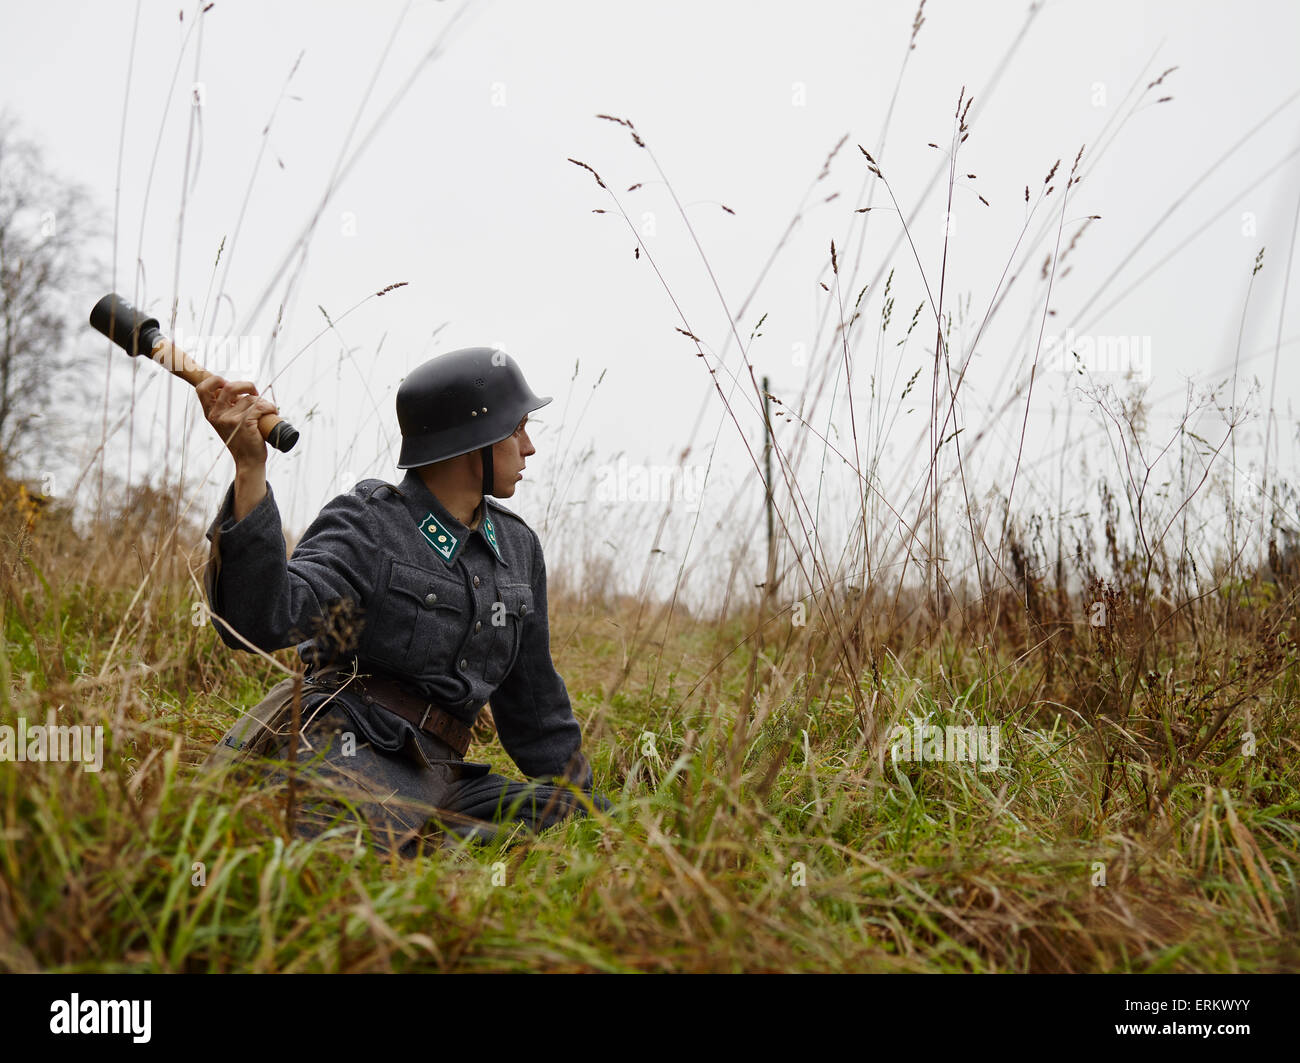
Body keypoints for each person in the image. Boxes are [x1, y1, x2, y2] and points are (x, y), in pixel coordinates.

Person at [197, 347, 610, 852]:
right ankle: (408, 847)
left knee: (574, 817)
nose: (529, 447)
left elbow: (535, 703)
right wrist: (249, 469)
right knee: (327, 843)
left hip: (446, 776)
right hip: (349, 754)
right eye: (517, 428)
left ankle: (430, 843)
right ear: (471, 440)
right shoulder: (369, 523)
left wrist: (588, 814)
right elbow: (261, 619)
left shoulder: (519, 549)